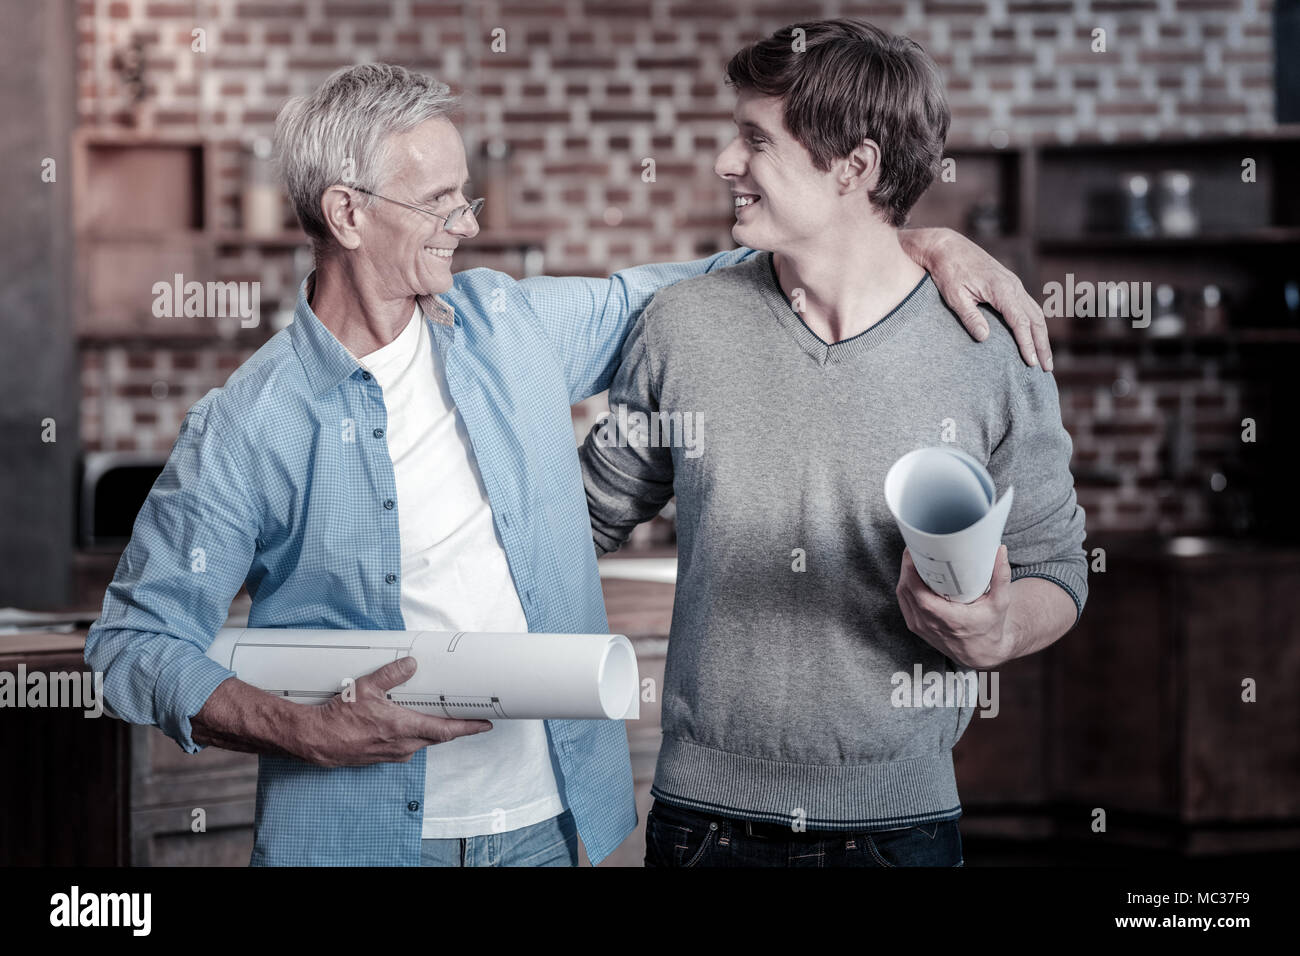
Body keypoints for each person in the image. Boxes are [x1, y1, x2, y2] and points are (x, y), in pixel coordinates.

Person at [85, 61, 1053, 867]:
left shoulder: (507, 324)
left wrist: (907, 238)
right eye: (436, 202)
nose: (465, 223)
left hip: (545, 829)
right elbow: (132, 646)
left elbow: (717, 284)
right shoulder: (248, 424)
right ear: (346, 212)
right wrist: (306, 728)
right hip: (357, 836)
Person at [580, 19, 1088, 867]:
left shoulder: (991, 346)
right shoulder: (683, 326)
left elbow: (1057, 569)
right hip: (704, 825)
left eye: (754, 139)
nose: (724, 163)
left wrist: (999, 633)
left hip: (902, 828)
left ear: (856, 166)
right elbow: (577, 519)